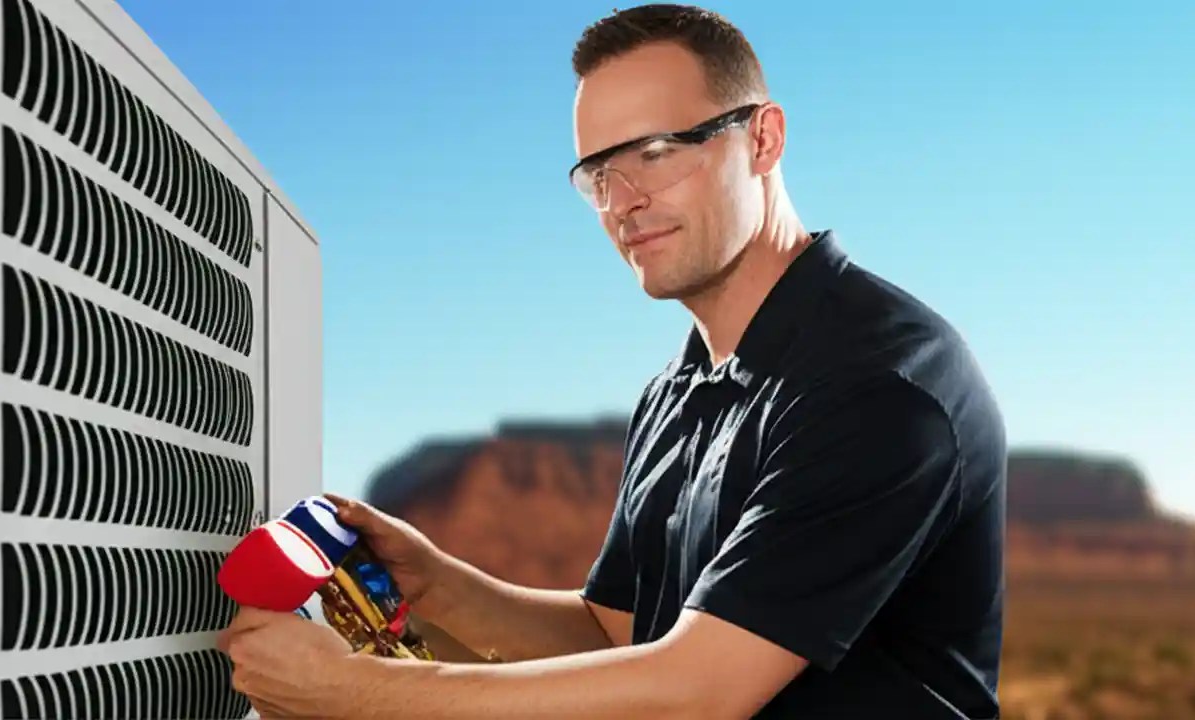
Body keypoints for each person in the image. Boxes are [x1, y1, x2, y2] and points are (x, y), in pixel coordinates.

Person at [218, 4, 1007, 718]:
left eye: (658, 152)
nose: (622, 201)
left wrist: (359, 694)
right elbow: (616, 639)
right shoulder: (678, 388)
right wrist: (440, 586)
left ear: (762, 139)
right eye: (598, 172)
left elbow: (695, 694)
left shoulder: (878, 386)